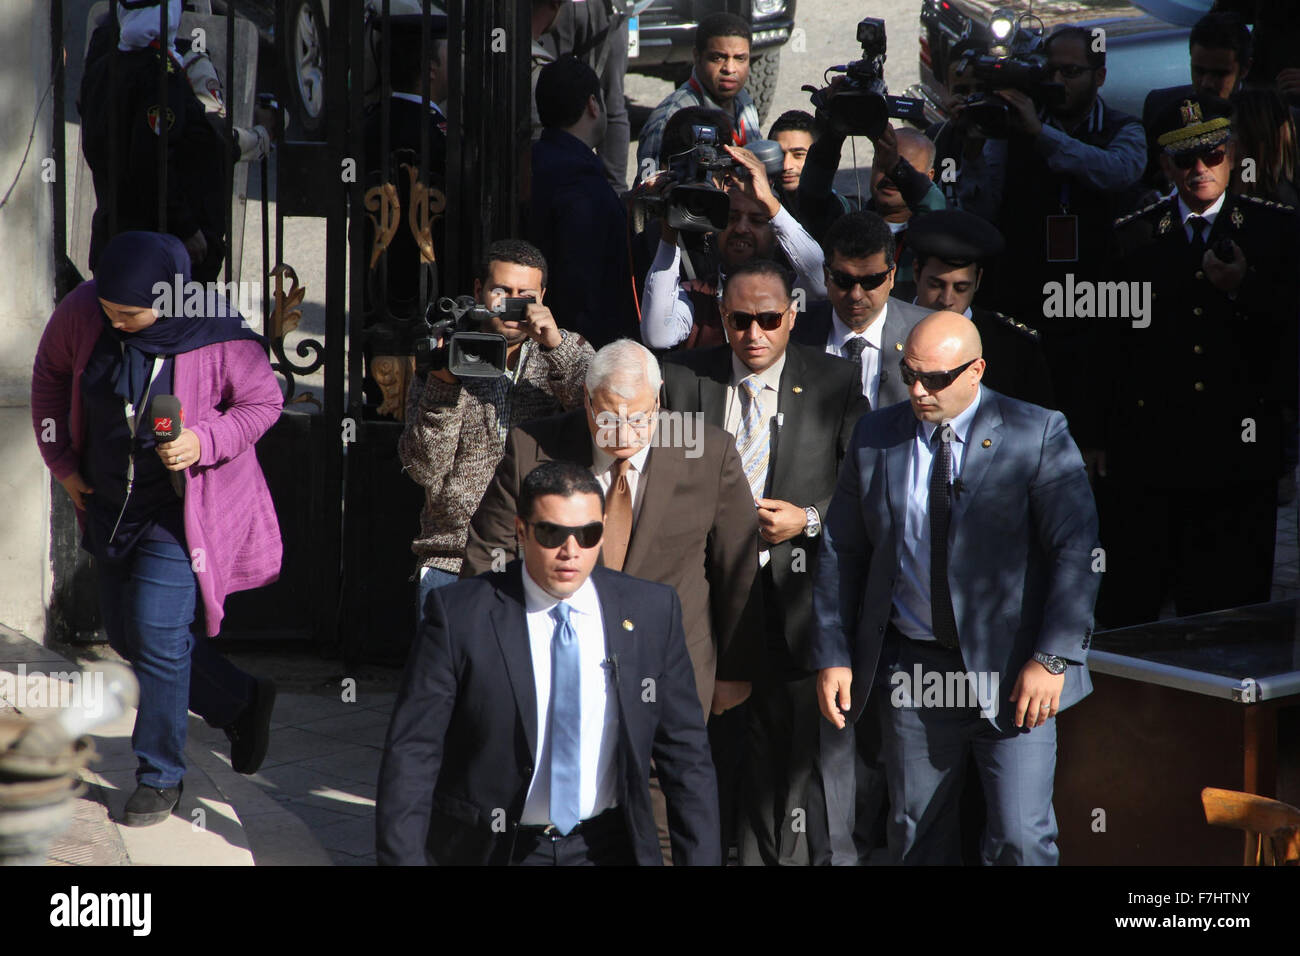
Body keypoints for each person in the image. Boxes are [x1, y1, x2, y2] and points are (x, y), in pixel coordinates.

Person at [812, 311, 1101, 865]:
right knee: (916, 835)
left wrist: (1053, 657)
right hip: (914, 670)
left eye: (936, 379)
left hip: (1015, 671)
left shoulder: (1036, 431)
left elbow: (1077, 551)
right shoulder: (878, 434)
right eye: (908, 374)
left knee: (1020, 836)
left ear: (977, 371)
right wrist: (833, 651)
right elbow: (842, 550)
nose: (918, 390)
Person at [462, 339, 762, 861]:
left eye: (640, 419)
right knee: (566, 816)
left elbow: (737, 567)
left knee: (667, 820)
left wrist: (736, 669)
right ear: (585, 398)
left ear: (661, 402)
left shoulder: (708, 452)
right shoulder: (535, 446)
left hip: (671, 671)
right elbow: (488, 554)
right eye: (609, 418)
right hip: (559, 669)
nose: (624, 435)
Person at [30, 232, 283, 826]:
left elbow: (263, 403)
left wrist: (203, 440)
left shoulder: (215, 330)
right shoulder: (83, 311)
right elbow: (48, 375)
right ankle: (241, 701)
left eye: (131, 313)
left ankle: (160, 776)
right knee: (126, 633)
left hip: (179, 508)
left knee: (157, 631)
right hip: (110, 499)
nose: (117, 322)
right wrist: (61, 465)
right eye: (110, 311)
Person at [376, 460, 720, 865]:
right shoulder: (460, 616)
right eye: (552, 532)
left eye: (588, 534)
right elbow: (413, 751)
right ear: (521, 531)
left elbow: (685, 757)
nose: (570, 550)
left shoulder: (650, 612)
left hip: (606, 846)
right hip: (494, 847)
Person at [660, 259, 870, 866]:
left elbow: (861, 490)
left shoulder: (832, 381)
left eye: (769, 320)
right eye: (739, 321)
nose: (754, 334)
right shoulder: (683, 380)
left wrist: (805, 520)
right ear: (721, 319)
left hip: (793, 602)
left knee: (786, 763)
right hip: (707, 602)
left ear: (793, 316)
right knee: (706, 752)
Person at [1099, 93, 1300, 626]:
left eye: (1212, 154)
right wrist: (1098, 436)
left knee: (1229, 616)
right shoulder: (1133, 236)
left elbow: (1290, 336)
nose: (1199, 169)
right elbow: (1107, 348)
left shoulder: (1276, 230)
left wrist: (1245, 289)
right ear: (1164, 164)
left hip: (1237, 458)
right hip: (1151, 457)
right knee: (1135, 615)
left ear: (1232, 153)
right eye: (1184, 159)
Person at [958, 25, 1145, 446]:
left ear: (1099, 76)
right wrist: (973, 149)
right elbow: (982, 209)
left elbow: (1116, 171)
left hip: (1097, 301)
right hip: (1024, 297)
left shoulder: (1124, 128)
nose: (1058, 82)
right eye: (1052, 71)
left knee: (1089, 421)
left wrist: (1040, 135)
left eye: (1072, 72)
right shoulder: (1011, 131)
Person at [398, 239, 594, 626]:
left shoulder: (567, 350)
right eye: (501, 292)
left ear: (544, 297)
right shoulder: (446, 352)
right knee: (448, 684)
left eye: (526, 295)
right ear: (478, 292)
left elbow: (602, 414)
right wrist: (443, 385)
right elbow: (423, 467)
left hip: (545, 554)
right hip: (451, 557)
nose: (512, 305)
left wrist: (555, 345)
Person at [79, 0, 228, 282]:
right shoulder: (159, 75)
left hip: (117, 240)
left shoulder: (106, 64)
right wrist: (185, 227)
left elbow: (96, 146)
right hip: (159, 254)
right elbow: (150, 161)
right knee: (163, 325)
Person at [640, 143, 826, 351]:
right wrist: (669, 229)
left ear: (776, 236)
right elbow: (657, 335)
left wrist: (769, 203)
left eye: (757, 220)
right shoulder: (696, 294)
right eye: (731, 218)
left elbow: (821, 280)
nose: (741, 228)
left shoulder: (792, 289)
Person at [361, 13, 452, 409]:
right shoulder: (434, 131)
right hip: (423, 291)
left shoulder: (369, 122)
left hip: (372, 289)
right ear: (431, 71)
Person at [530, 56, 639, 348]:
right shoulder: (581, 182)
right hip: (574, 350)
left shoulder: (535, 162)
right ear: (593, 104)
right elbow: (584, 292)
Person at [907, 210, 1055, 408]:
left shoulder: (1013, 347)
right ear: (916, 272)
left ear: (978, 280)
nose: (947, 300)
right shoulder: (886, 326)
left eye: (961, 288)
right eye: (936, 285)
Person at [791, 211, 929, 411]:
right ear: (826, 276)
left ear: (891, 276)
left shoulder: (925, 333)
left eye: (870, 281)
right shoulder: (792, 331)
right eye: (843, 281)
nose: (856, 294)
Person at [635, 13, 763, 183]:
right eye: (718, 58)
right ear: (697, 56)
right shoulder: (671, 117)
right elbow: (646, 191)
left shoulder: (744, 103)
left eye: (740, 58)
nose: (730, 68)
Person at [1141, 10, 1253, 193]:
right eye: (1199, 71)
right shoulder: (1161, 107)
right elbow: (1145, 182)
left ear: (1245, 69)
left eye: (1220, 74)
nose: (1207, 83)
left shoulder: (1265, 118)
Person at [543, 0, 631, 191]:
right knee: (545, 94)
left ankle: (615, 194)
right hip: (557, 8)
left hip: (604, 7)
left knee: (611, 102)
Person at [865, 125, 947, 301]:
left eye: (905, 168)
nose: (890, 176)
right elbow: (812, 196)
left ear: (929, 177)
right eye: (882, 165)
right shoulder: (850, 218)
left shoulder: (934, 234)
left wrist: (896, 167)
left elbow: (935, 204)